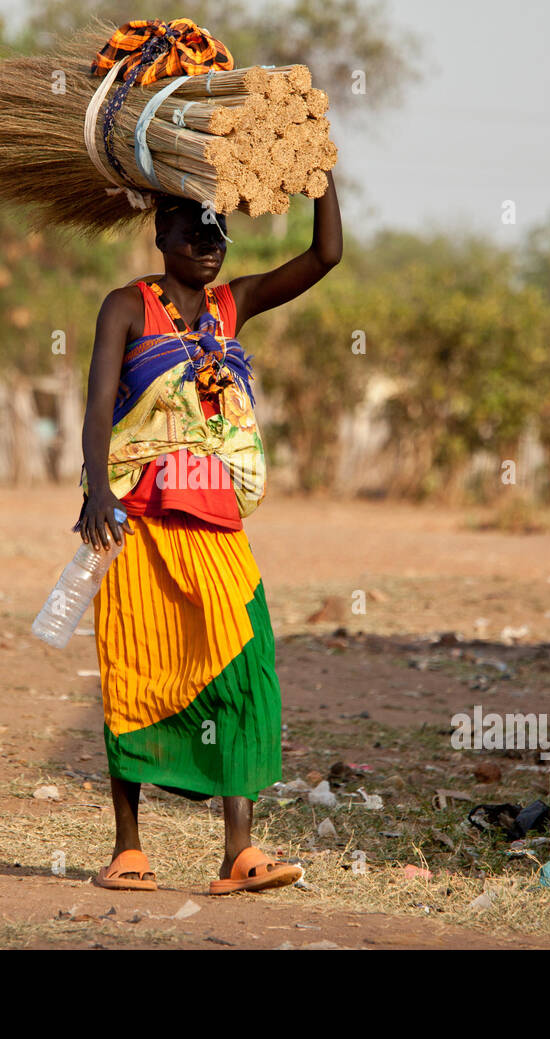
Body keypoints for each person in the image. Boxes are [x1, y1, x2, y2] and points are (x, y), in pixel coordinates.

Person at [77, 170, 341, 894]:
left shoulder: (234, 305)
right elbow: (99, 404)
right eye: (190, 228)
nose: (206, 242)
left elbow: (324, 258)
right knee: (137, 672)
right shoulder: (126, 306)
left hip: (218, 527)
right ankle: (128, 847)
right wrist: (97, 488)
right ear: (159, 234)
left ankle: (240, 852)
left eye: (217, 229)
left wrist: (323, 173)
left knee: (245, 671)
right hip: (142, 525)